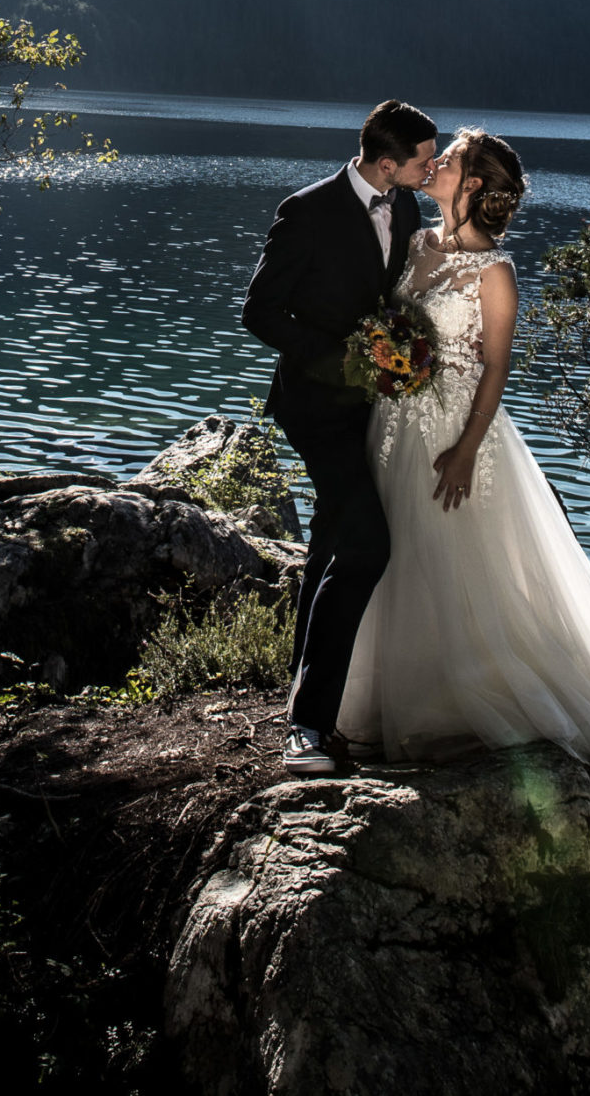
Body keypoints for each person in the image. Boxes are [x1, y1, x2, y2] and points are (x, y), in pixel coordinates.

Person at [337, 126, 590, 886]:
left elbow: (495, 367)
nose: (436, 166)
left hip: (461, 439)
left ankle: (466, 698)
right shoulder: (418, 243)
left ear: (472, 184)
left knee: (466, 567)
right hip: (394, 426)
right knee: (398, 555)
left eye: (451, 160)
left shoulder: (496, 270)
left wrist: (465, 447)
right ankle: (384, 696)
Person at [242, 98, 439, 775]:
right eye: (424, 159)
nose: (431, 168)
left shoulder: (406, 207)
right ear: (388, 163)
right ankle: (307, 728)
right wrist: (340, 360)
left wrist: (402, 356)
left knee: (331, 535)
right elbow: (260, 311)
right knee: (366, 543)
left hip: (375, 409)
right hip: (315, 403)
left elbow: (393, 302)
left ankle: (301, 679)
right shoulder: (308, 210)